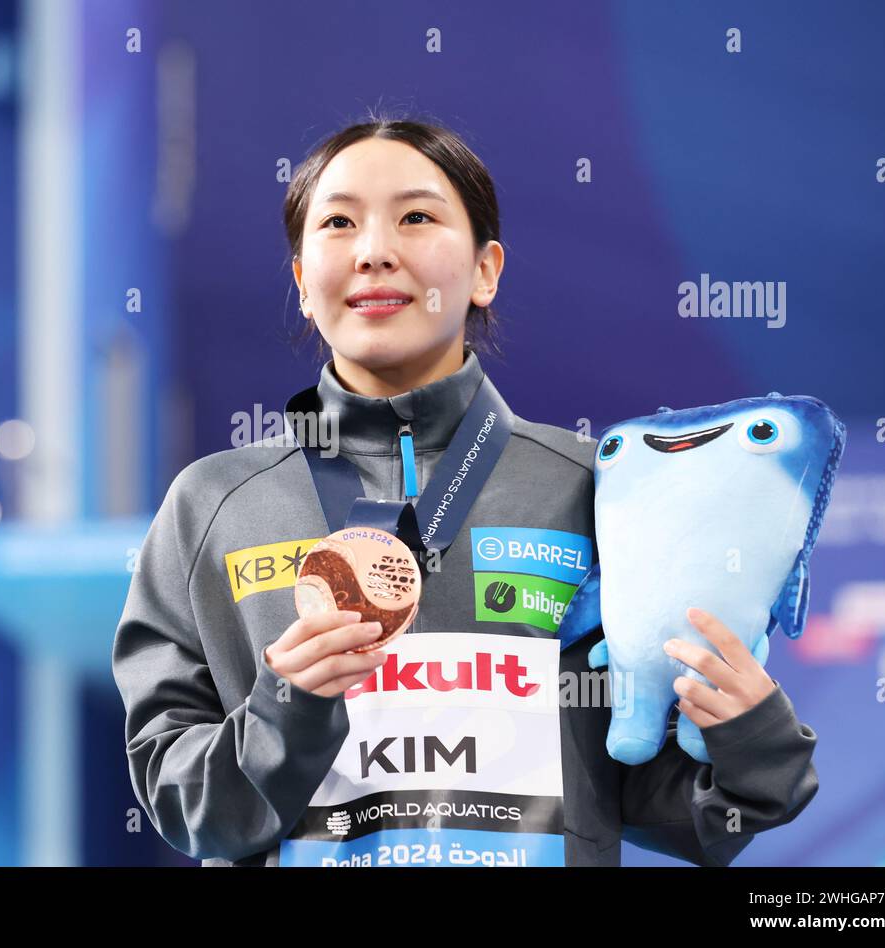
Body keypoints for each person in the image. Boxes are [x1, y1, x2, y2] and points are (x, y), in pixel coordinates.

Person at [111, 115, 818, 867]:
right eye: (339, 222)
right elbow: (191, 811)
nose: (375, 252)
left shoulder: (599, 492)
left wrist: (753, 741)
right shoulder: (213, 507)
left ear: (486, 270)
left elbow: (665, 805)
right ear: (302, 282)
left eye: (416, 217)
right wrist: (290, 705)